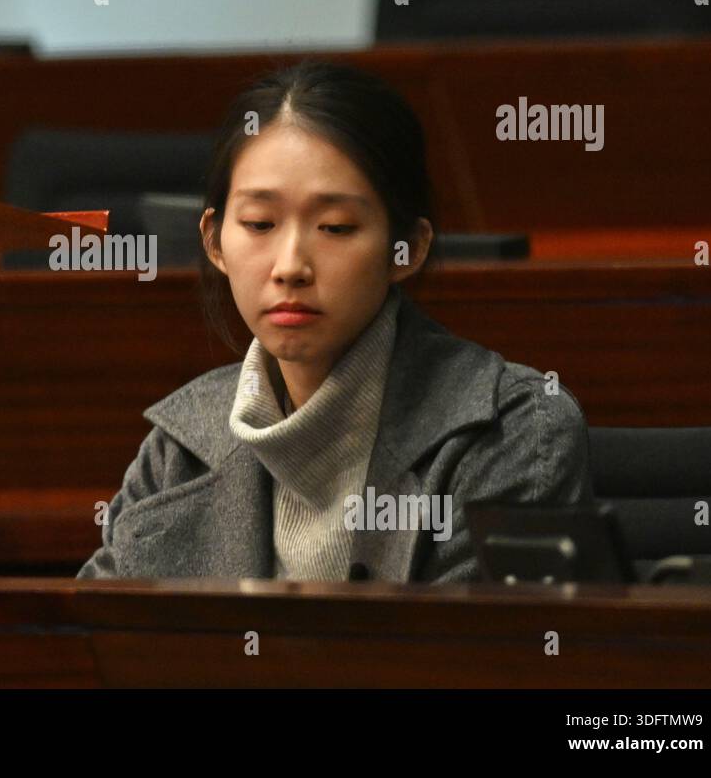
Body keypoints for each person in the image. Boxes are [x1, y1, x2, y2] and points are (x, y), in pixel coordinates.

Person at [77, 59, 594, 582]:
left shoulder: (510, 432)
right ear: (214, 241)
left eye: (336, 227)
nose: (290, 267)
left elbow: (473, 660)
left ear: (407, 249)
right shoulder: (179, 448)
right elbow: (94, 642)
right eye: (259, 224)